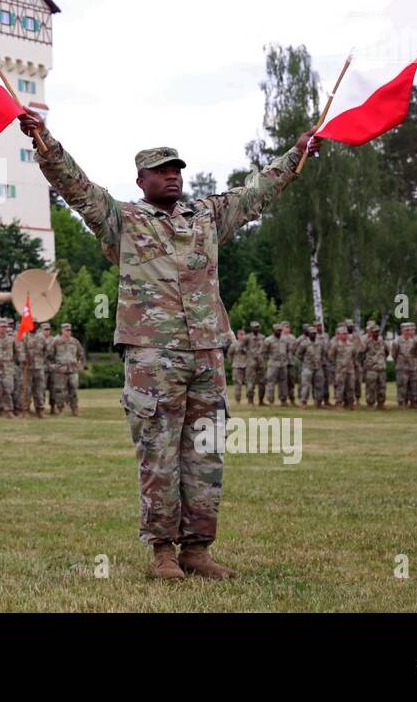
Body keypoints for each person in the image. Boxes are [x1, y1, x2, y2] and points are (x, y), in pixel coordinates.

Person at [20, 106, 320, 580]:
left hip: (206, 352)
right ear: (141, 179)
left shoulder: (208, 216)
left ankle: (197, 550)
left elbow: (257, 192)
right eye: (161, 170)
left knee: (206, 450)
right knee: (158, 452)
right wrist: (43, 140)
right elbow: (74, 186)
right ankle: (162, 551)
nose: (172, 177)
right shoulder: (121, 219)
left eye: (177, 169)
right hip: (152, 355)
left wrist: (296, 153)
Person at [47, 322, 85, 415]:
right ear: (62, 330)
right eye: (66, 330)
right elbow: (49, 355)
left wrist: (79, 362)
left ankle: (74, 409)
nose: (68, 332)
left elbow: (81, 353)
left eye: (69, 330)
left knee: (74, 389)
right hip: (60, 370)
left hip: (72, 370)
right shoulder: (56, 341)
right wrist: (53, 366)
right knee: (60, 390)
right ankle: (60, 408)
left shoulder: (75, 341)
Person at [23, 322, 49, 418]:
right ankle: (25, 410)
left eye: (35, 324)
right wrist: (23, 359)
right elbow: (20, 349)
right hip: (28, 368)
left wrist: (41, 360)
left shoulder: (41, 337)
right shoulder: (24, 336)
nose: (33, 326)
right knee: (27, 389)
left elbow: (47, 350)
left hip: (39, 367)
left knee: (40, 389)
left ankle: (40, 410)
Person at [361, 321, 388, 409]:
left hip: (381, 368)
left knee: (382, 387)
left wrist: (381, 361)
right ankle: (370, 404)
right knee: (371, 388)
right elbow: (361, 354)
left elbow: (387, 352)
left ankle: (381, 403)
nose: (376, 333)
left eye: (377, 331)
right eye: (374, 332)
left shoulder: (382, 341)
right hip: (371, 369)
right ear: (371, 332)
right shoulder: (367, 342)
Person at [392, 322, 417, 407]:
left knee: (413, 385)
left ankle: (413, 402)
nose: (408, 332)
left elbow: (415, 353)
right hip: (402, 367)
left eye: (409, 330)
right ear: (402, 330)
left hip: (412, 367)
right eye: (406, 330)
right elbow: (394, 354)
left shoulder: (413, 341)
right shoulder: (397, 341)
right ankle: (402, 402)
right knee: (402, 385)